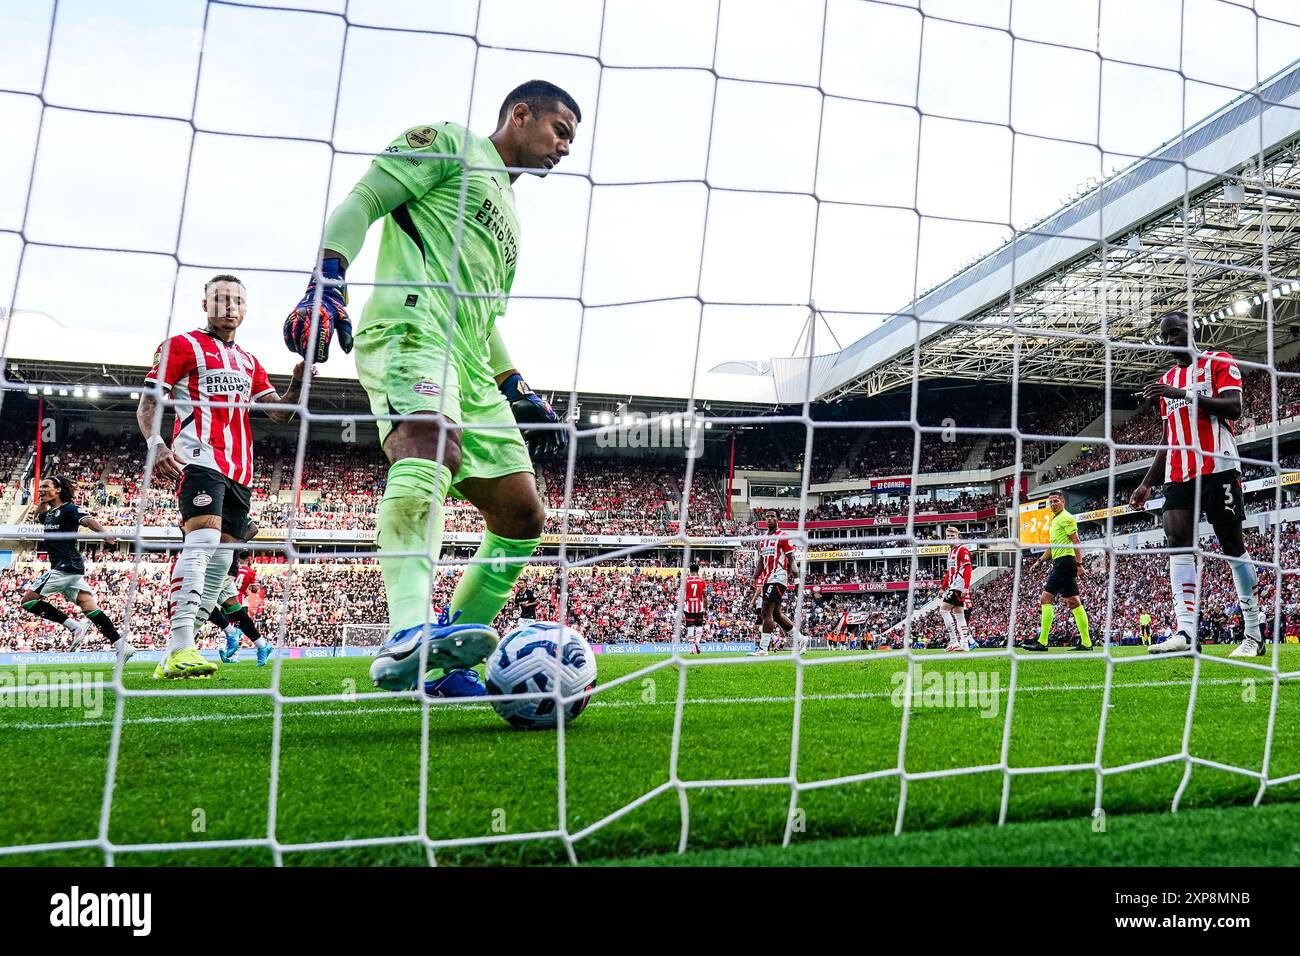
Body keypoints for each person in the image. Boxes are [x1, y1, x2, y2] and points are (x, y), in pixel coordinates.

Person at [283, 80, 581, 694]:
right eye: (560, 131)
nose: (565, 148)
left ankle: (443, 663)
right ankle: (407, 633)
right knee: (429, 448)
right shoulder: (449, 144)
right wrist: (328, 277)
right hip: (413, 329)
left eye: (571, 140)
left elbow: (485, 315)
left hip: (471, 361)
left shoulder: (512, 220)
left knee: (522, 516)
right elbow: (363, 200)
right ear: (520, 115)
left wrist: (515, 385)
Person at [138, 274, 306, 679]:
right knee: (202, 544)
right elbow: (148, 402)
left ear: (246, 310)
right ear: (206, 304)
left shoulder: (250, 362)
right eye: (221, 299)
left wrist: (300, 379)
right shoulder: (180, 345)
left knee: (220, 561)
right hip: (199, 457)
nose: (229, 306)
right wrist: (156, 444)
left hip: (240, 469)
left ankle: (176, 654)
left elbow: (280, 413)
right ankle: (181, 647)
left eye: (237, 301)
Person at [1129, 309, 1263, 658]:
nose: (1170, 339)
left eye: (1175, 331)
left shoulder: (1219, 361)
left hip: (1218, 465)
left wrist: (1182, 394)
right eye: (1165, 336)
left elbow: (1233, 407)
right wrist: (1146, 484)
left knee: (1232, 543)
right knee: (1176, 541)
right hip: (1178, 472)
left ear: (1192, 328)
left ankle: (1254, 633)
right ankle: (1186, 632)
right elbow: (1167, 437)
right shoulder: (1167, 380)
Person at [19, 476, 134, 663]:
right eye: (40, 487)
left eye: (46, 487)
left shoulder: (70, 509)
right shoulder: (50, 513)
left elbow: (88, 520)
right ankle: (121, 646)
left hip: (66, 567)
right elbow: (37, 518)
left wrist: (106, 535)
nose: (41, 489)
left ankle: (74, 626)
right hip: (67, 569)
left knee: (28, 602)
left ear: (57, 490)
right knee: (88, 606)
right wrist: (41, 499)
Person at [1019, 492, 1093, 652]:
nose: (1053, 504)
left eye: (1056, 501)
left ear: (1063, 502)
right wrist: (1039, 561)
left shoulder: (1066, 518)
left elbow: (1076, 541)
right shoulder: (1056, 520)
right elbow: (1053, 548)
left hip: (1065, 562)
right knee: (1074, 602)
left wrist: (1079, 565)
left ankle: (1043, 642)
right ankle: (1087, 643)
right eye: (1050, 502)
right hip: (1062, 562)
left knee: (1046, 598)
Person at [748, 513, 805, 656]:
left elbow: (791, 559)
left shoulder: (783, 536)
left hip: (779, 577)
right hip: (768, 579)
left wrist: (797, 579)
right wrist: (754, 577)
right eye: (767, 516)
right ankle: (801, 639)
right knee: (777, 615)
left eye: (772, 516)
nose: (769, 519)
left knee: (766, 610)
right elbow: (761, 561)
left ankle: (763, 648)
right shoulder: (763, 540)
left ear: (778, 519)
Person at [939, 526, 974, 652]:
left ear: (957, 536)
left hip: (958, 586)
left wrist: (965, 587)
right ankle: (964, 644)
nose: (950, 538)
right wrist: (943, 588)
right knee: (959, 615)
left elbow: (968, 568)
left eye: (952, 536)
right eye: (948, 536)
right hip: (953, 585)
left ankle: (953, 641)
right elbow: (949, 572)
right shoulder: (951, 552)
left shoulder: (961, 550)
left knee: (943, 610)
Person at [682, 562, 706, 655]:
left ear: (690, 571)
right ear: (698, 571)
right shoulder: (702, 581)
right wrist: (706, 607)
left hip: (688, 606)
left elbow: (683, 594)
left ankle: (691, 649)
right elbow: (704, 596)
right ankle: (697, 642)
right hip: (699, 606)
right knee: (699, 626)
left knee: (690, 627)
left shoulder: (686, 580)